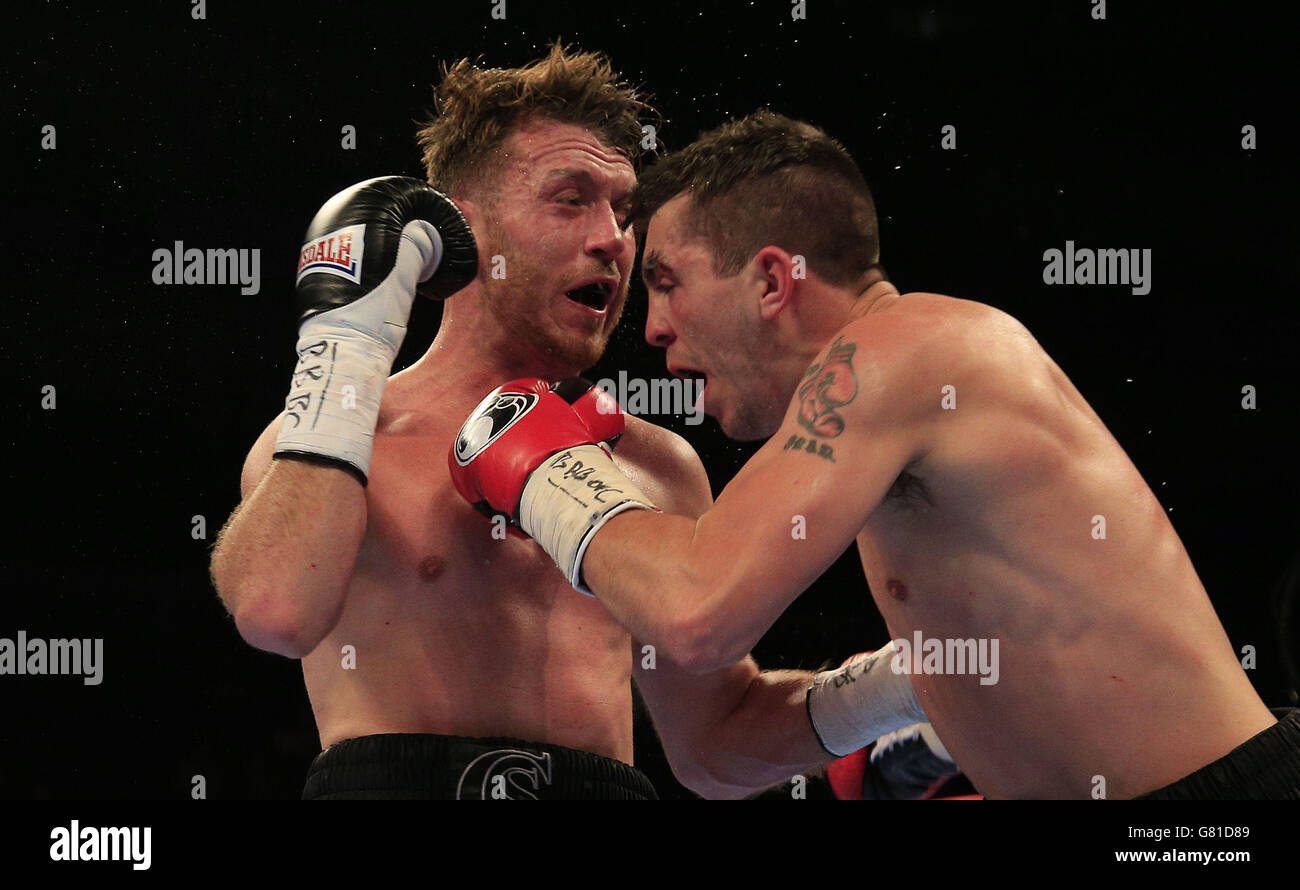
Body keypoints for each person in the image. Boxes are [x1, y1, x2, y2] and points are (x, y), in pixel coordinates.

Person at [449, 110, 1300, 799]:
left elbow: (697, 609)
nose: (656, 324)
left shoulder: (902, 349)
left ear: (773, 281)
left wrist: (547, 477)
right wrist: (881, 705)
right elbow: (715, 754)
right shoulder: (887, 426)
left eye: (668, 280)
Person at [210, 48, 929, 800]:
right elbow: (275, 611)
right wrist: (345, 354)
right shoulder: (349, 436)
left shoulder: (657, 465)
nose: (615, 239)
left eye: (623, 211)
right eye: (570, 198)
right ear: (461, 227)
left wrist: (909, 685)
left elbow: (717, 745)